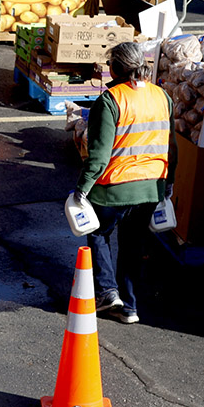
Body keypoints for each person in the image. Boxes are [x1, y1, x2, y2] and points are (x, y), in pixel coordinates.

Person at [72, 42, 177, 325]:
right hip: (151, 186)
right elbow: (172, 147)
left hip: (114, 188)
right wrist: (168, 183)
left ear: (115, 68)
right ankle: (129, 307)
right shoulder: (162, 97)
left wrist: (82, 189)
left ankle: (107, 292)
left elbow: (99, 155)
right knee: (133, 244)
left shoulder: (110, 101)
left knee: (98, 232)